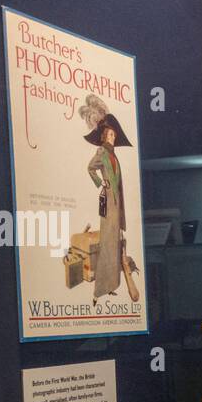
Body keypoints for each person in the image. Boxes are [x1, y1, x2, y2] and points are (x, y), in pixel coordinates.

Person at [84, 112, 140, 302]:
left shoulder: (114, 156)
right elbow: (90, 168)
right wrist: (101, 182)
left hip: (117, 204)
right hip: (108, 202)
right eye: (110, 135)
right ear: (104, 136)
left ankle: (111, 285)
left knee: (114, 244)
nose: (112, 138)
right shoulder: (102, 153)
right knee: (107, 244)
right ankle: (99, 289)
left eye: (114, 136)